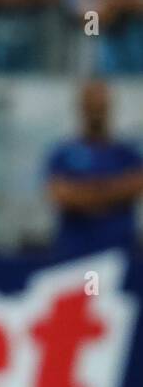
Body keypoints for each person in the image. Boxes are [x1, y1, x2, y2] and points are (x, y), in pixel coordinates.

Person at [45, 80, 143, 258]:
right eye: (91, 106)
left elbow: (136, 186)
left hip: (119, 256)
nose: (96, 112)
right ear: (81, 108)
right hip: (74, 257)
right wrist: (115, 191)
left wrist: (85, 192)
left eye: (101, 106)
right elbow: (61, 195)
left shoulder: (128, 154)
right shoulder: (63, 154)